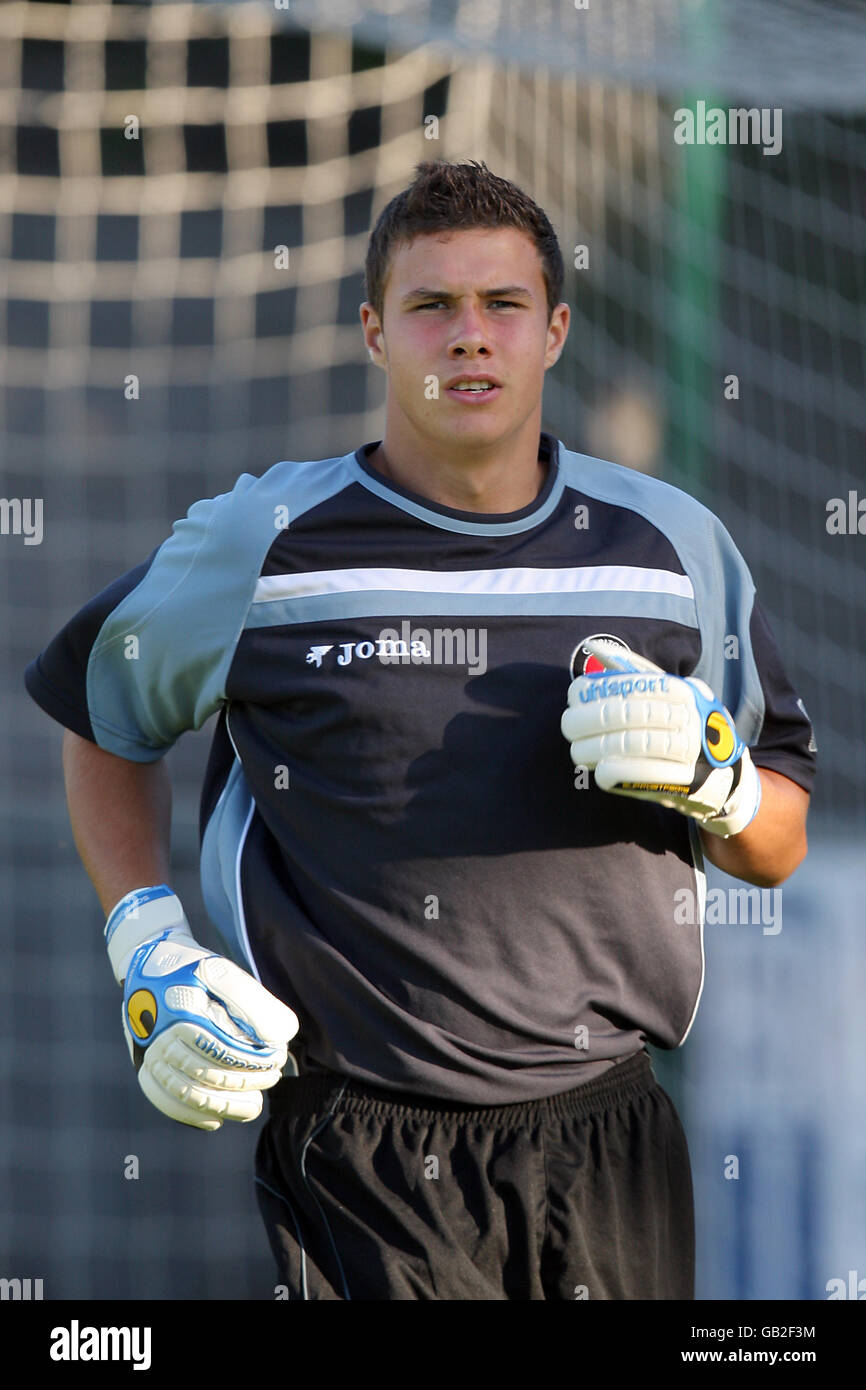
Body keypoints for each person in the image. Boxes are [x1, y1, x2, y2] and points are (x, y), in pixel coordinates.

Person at [24, 159, 815, 1301]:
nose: (468, 338)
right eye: (430, 306)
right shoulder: (265, 539)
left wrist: (720, 784)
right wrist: (145, 943)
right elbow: (101, 721)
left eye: (500, 306)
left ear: (554, 329)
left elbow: (776, 839)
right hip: (366, 1149)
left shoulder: (670, 548)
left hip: (612, 1138)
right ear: (372, 332)